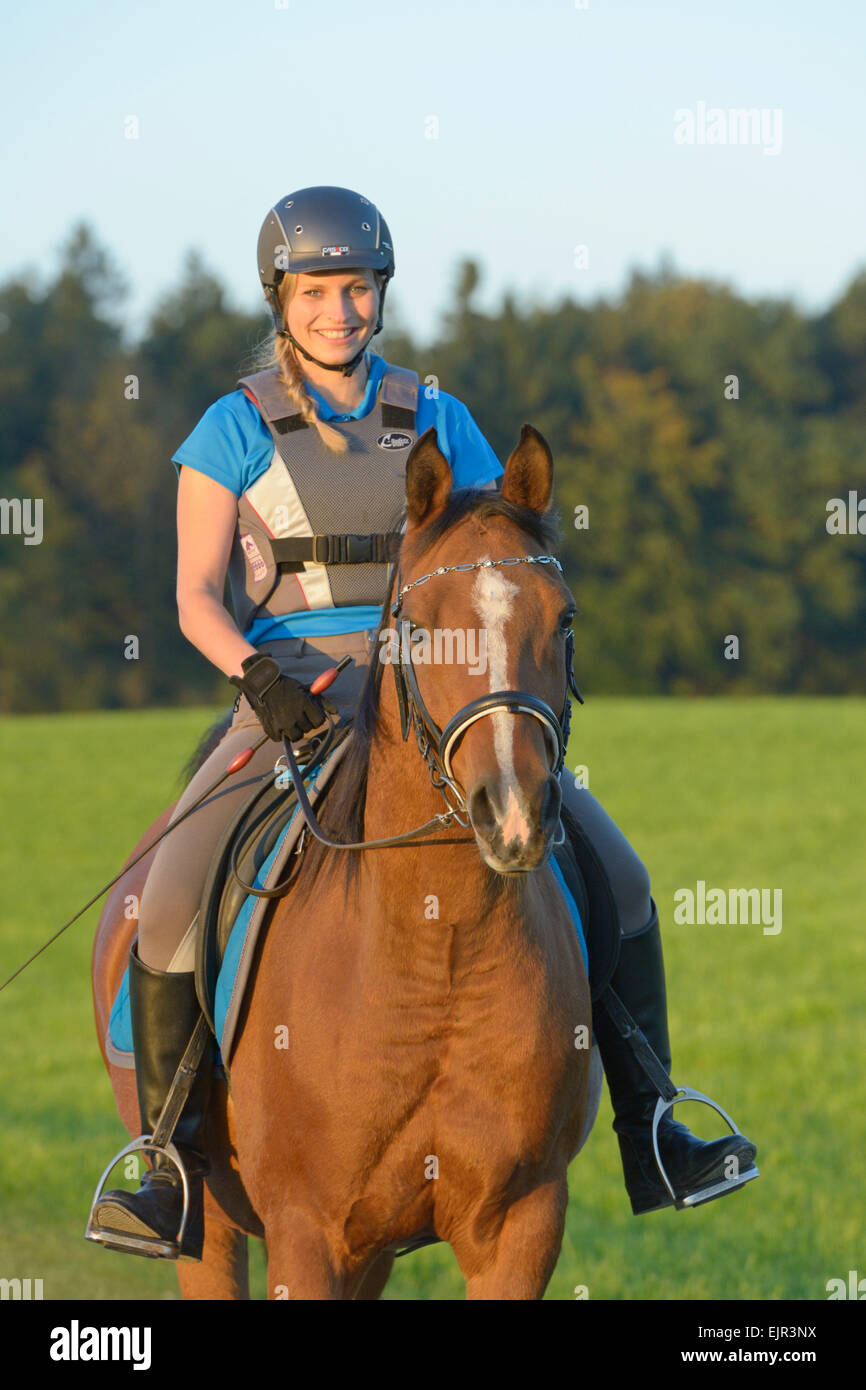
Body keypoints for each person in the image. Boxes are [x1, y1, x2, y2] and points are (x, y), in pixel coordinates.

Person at [90, 186, 757, 1262]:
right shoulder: (228, 427)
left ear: (380, 295)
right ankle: (166, 1161)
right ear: (283, 299)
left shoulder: (437, 415)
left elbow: (496, 551)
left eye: (356, 288)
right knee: (170, 894)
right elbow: (192, 596)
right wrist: (256, 679)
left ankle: (653, 1122)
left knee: (618, 877)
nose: (338, 310)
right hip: (290, 696)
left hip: (435, 694)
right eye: (316, 292)